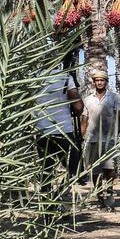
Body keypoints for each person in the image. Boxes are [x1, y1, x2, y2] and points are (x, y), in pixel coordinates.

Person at [35, 66, 84, 199]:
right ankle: (61, 194)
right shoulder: (66, 77)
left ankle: (47, 206)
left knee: (46, 170)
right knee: (74, 167)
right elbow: (78, 106)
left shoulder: (35, 77)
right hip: (63, 131)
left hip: (42, 131)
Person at [82, 69, 120, 210]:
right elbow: (84, 119)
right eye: (97, 80)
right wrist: (81, 136)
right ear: (94, 83)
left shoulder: (114, 97)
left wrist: (119, 131)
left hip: (109, 139)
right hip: (93, 139)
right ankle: (100, 197)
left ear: (106, 82)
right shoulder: (88, 99)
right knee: (95, 171)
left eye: (102, 80)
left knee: (109, 169)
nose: (99, 82)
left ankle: (110, 193)